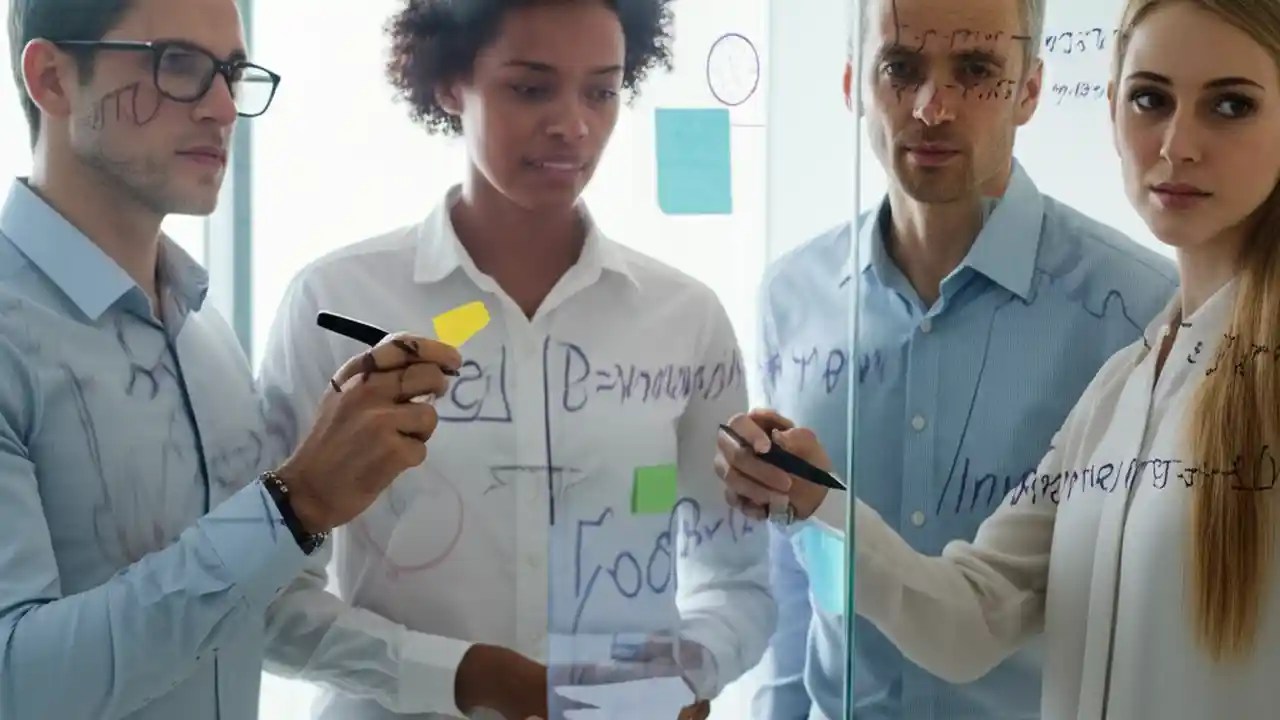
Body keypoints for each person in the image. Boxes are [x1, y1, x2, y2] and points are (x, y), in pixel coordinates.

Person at [722, 0, 1280, 717]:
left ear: (1030, 89)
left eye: (1231, 105)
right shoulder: (1126, 383)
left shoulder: (1133, 318)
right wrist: (810, 497)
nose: (1178, 145)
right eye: (1150, 99)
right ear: (1112, 108)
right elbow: (975, 616)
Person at [256, 1, 772, 719]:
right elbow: (268, 597)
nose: (574, 125)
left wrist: (685, 674)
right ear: (450, 83)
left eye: (601, 91)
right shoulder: (335, 303)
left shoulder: (685, 320)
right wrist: (463, 677)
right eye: (531, 88)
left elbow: (737, 581)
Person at [0, 0, 460, 718]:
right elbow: (15, 680)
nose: (221, 107)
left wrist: (471, 679)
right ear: (53, 79)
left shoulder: (206, 334)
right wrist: (296, 503)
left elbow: (252, 608)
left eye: (232, 72)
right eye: (178, 64)